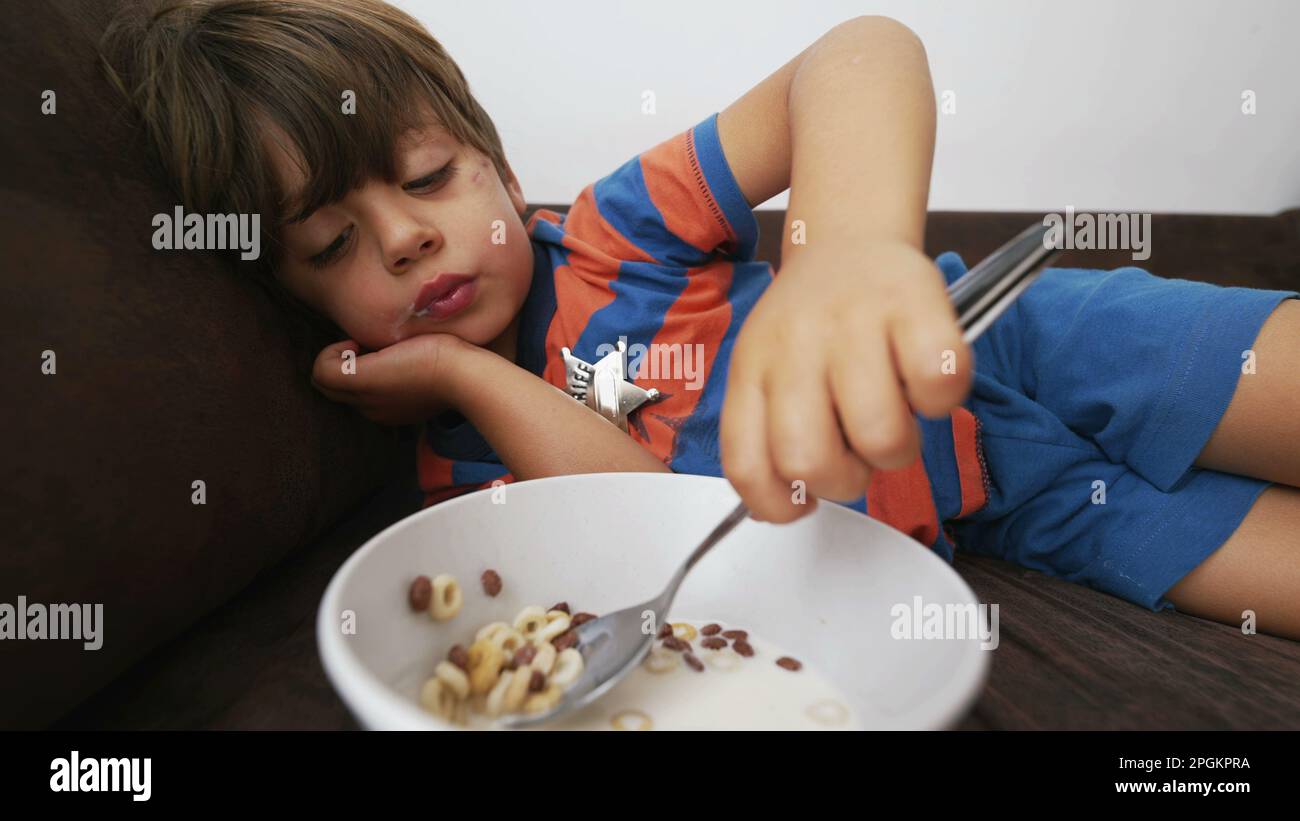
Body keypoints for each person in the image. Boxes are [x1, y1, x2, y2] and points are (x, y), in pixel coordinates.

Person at [101, 0, 1300, 638]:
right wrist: (469, 380)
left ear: (501, 171)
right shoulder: (460, 463)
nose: (406, 237)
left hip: (1019, 331)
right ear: (303, 303)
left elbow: (860, 51)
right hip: (1017, 513)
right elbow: (643, 529)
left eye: (425, 180)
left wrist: (843, 257)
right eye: (331, 244)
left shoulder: (620, 231)